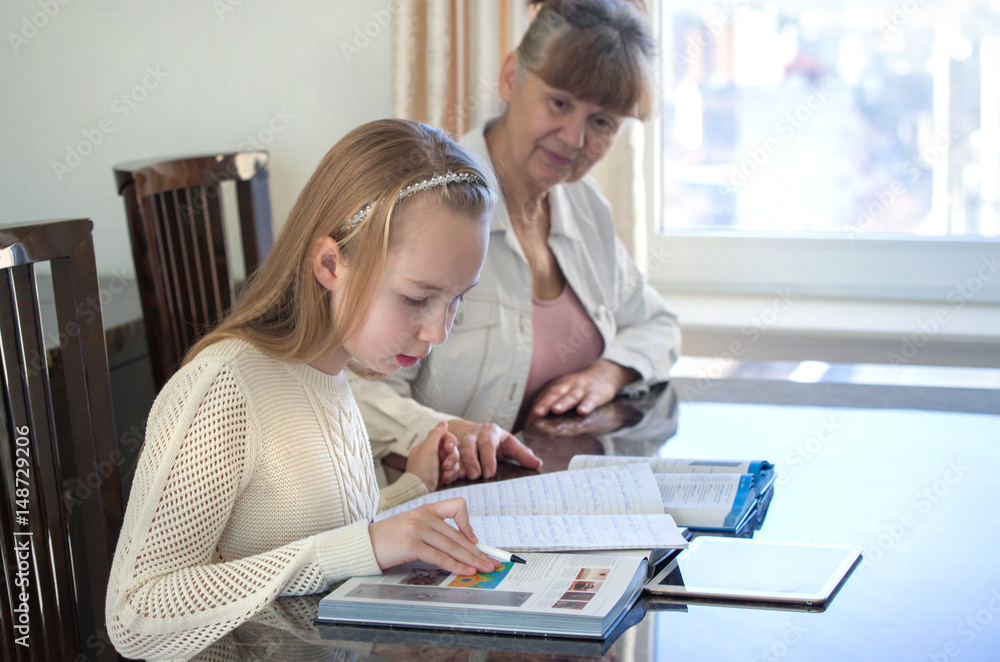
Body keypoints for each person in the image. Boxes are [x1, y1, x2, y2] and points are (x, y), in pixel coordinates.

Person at [105, 119, 504, 660]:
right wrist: (363, 546)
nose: (438, 331)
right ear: (329, 264)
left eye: (459, 299)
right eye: (416, 299)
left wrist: (412, 489)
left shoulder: (333, 374)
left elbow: (304, 530)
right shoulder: (225, 389)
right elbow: (135, 616)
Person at [352, 0, 680, 481]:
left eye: (602, 121)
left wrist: (607, 373)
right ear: (510, 77)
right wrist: (456, 434)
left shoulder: (586, 208)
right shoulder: (430, 208)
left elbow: (657, 324)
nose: (573, 138)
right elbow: (357, 394)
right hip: (433, 505)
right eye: (560, 103)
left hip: (551, 491)